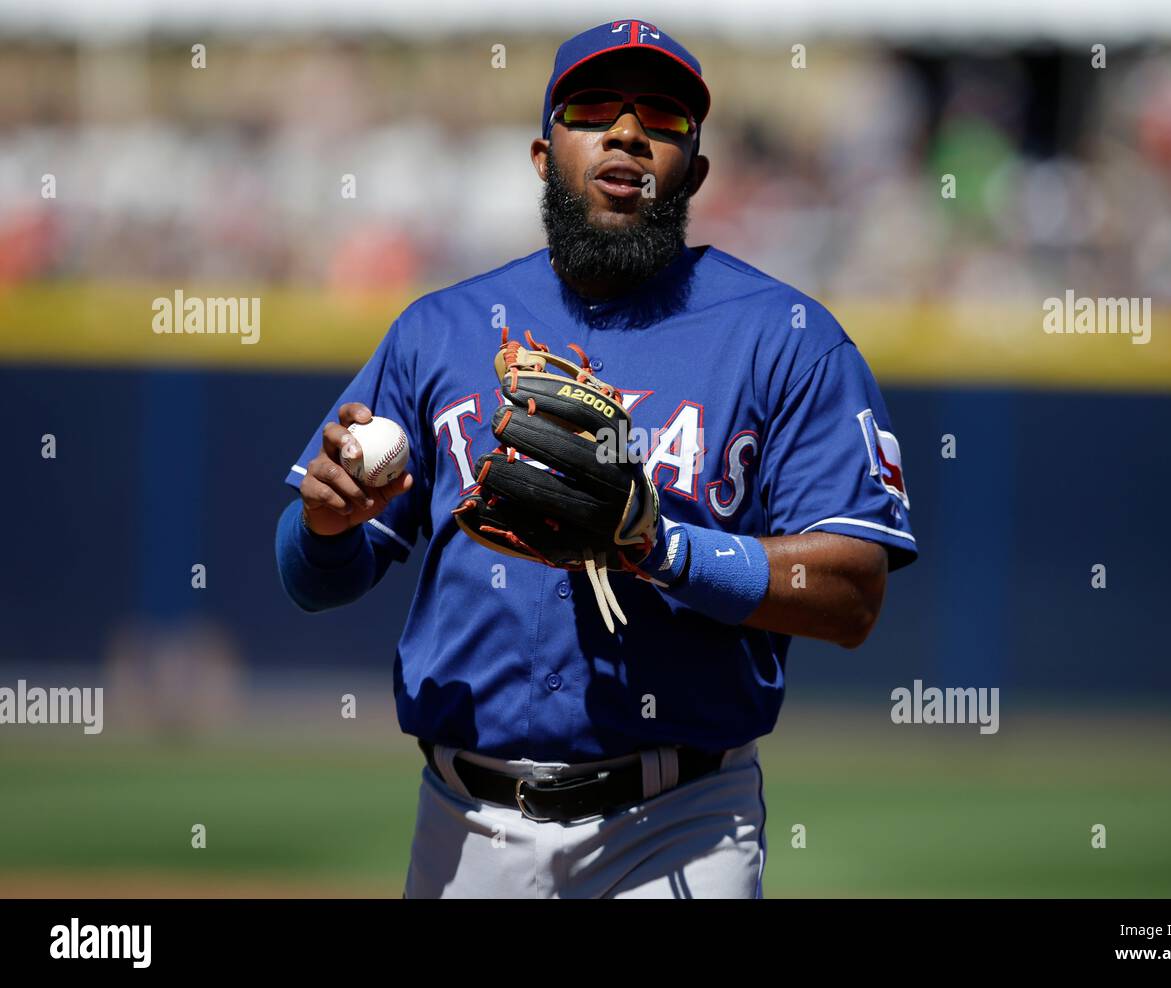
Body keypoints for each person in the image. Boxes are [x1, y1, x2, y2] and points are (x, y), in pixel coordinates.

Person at [275, 19, 917, 899]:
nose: (627, 131)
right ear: (545, 154)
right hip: (462, 824)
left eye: (662, 117)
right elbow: (311, 578)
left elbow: (852, 594)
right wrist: (323, 528)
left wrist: (662, 547)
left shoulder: (787, 340)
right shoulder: (438, 332)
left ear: (694, 168)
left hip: (679, 825)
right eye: (592, 108)